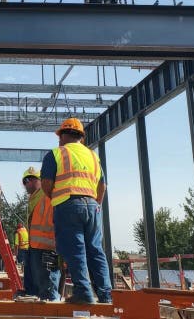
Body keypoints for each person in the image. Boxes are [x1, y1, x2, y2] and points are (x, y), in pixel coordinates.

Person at [40, 118, 112, 304]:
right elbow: (102, 186)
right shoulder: (93, 156)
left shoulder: (56, 154)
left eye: (59, 136)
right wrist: (96, 205)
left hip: (68, 205)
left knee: (75, 250)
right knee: (96, 251)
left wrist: (57, 198)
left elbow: (46, 184)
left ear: (63, 135)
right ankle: (106, 295)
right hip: (92, 205)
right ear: (80, 136)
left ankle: (83, 292)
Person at [22, 166, 61, 301]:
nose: (25, 184)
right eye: (24, 181)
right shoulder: (34, 199)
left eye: (28, 180)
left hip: (48, 248)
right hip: (36, 247)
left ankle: (53, 311)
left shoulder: (46, 195)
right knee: (40, 288)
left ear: (38, 180)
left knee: (48, 288)